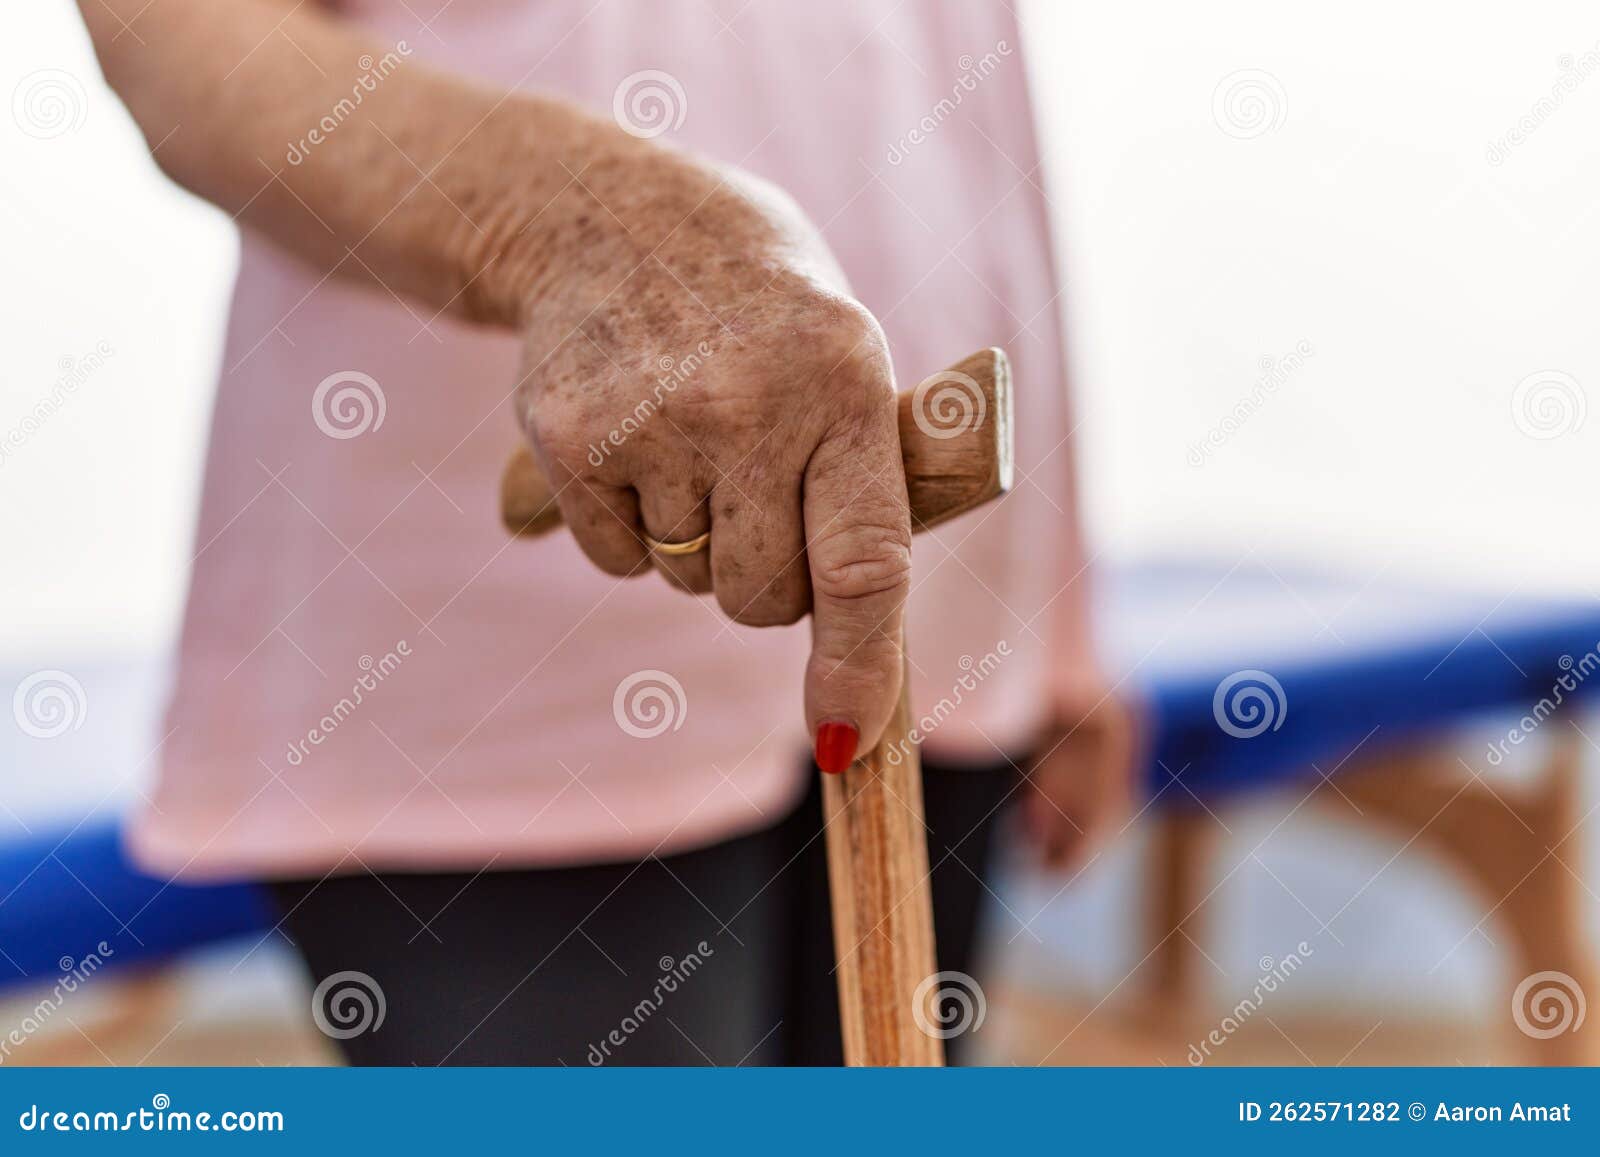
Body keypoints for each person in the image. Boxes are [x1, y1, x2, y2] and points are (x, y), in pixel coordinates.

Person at [79, 0, 1131, 1065]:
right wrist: (575, 226)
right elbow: (174, 36)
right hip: (488, 662)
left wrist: (1057, 614)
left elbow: (966, 67)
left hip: (933, 607)